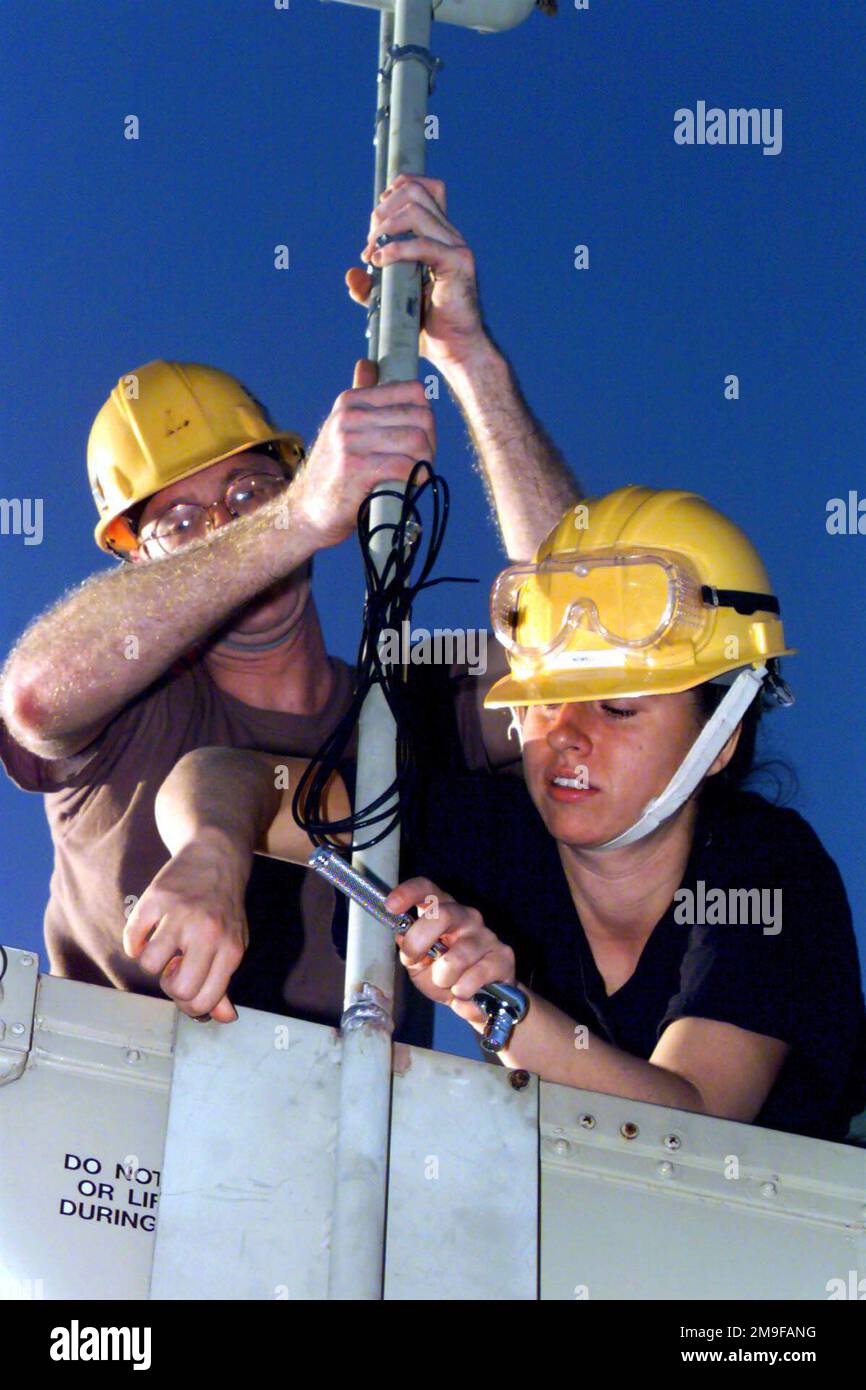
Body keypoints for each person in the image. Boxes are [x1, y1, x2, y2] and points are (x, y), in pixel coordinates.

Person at [0, 174, 577, 1032]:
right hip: (110, 1129)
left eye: (247, 493)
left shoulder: (406, 699)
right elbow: (35, 694)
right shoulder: (130, 708)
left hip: (348, 1129)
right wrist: (296, 516)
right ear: (133, 561)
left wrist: (468, 358)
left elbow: (590, 642)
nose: (224, 528)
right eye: (180, 521)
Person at [206, 485, 865, 1140]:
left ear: (719, 741)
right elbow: (230, 777)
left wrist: (502, 1004)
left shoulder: (768, 870)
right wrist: (211, 851)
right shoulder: (497, 835)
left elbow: (688, 1128)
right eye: (546, 701)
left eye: (617, 708)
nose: (565, 736)